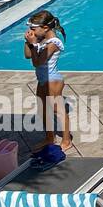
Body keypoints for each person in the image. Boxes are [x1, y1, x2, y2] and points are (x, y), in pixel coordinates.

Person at [24, 10, 70, 151]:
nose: (31, 32)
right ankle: (50, 138)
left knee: (57, 110)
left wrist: (33, 45)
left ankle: (67, 140)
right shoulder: (41, 40)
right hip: (43, 80)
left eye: (33, 29)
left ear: (45, 28)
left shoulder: (54, 43)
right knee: (43, 110)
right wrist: (28, 41)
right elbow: (27, 56)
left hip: (53, 80)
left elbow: (37, 62)